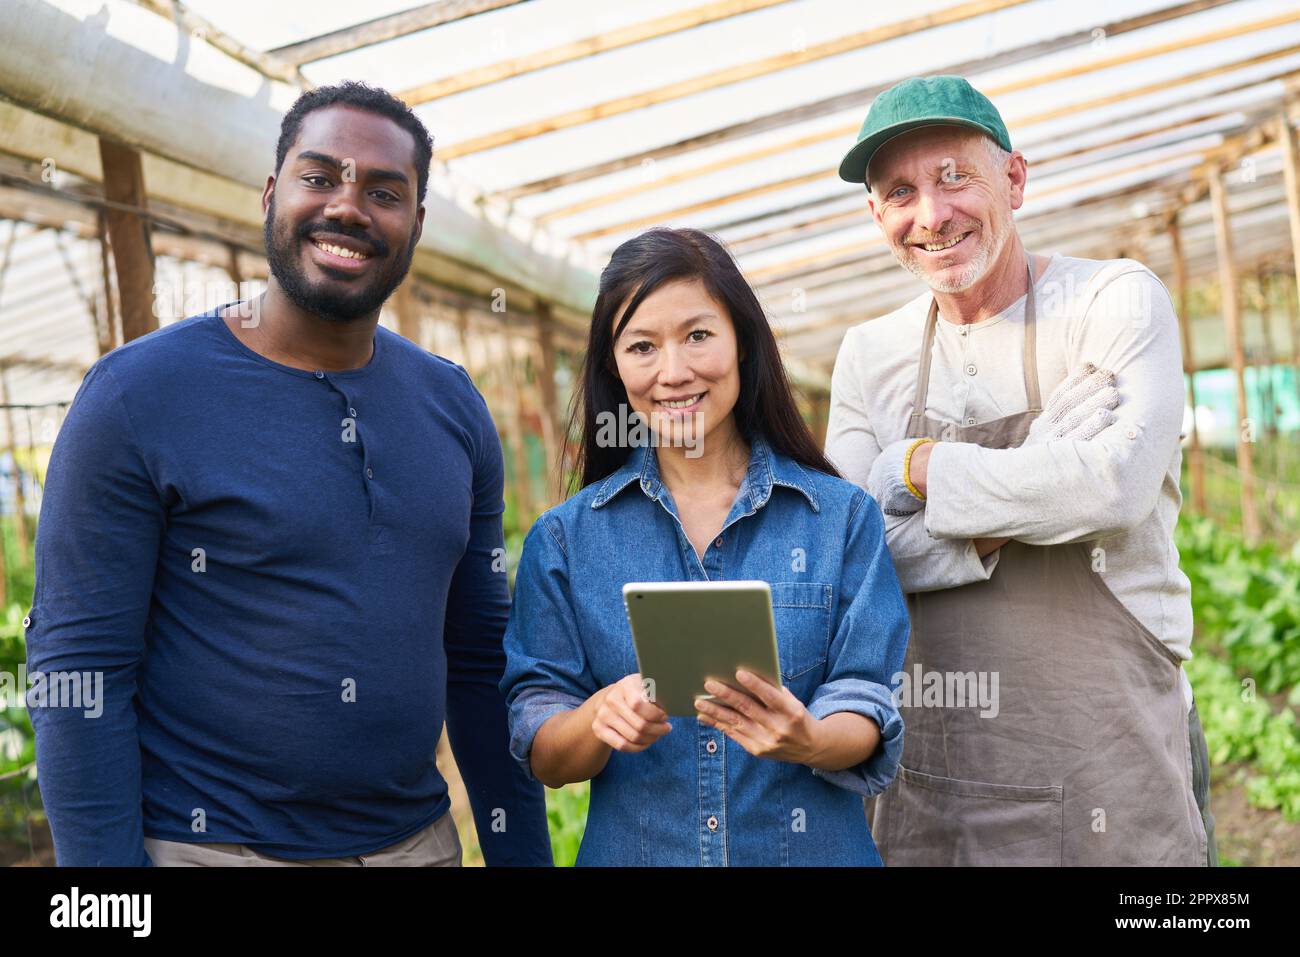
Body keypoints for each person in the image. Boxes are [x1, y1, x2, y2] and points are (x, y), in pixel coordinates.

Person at [26, 81, 551, 866]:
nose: (349, 206)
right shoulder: (139, 396)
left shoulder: (452, 405)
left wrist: (522, 857)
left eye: (384, 191)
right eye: (319, 177)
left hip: (418, 844)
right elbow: (77, 674)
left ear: (415, 224)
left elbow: (478, 661)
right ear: (272, 193)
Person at [826, 75, 1215, 865]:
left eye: (953, 176)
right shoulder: (869, 355)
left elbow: (1113, 487)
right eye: (900, 191)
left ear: (1015, 178)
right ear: (876, 215)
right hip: (935, 778)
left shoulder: (1113, 300)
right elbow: (854, 553)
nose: (931, 215)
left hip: (1113, 761)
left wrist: (919, 465)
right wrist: (1028, 487)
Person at [499, 227, 909, 866]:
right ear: (614, 365)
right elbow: (543, 742)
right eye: (642, 346)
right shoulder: (565, 540)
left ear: (742, 342)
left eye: (697, 335)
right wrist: (597, 719)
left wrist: (810, 739)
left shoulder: (839, 519)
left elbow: (866, 696)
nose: (674, 372)